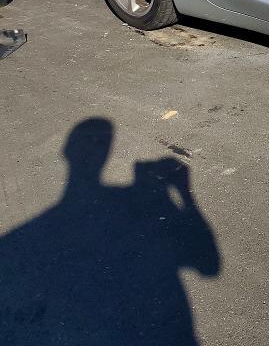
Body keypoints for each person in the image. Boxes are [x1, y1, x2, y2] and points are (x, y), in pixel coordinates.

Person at [0, 118, 220, 345]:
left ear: (66, 153)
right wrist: (184, 193)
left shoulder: (12, 246)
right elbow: (208, 265)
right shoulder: (129, 201)